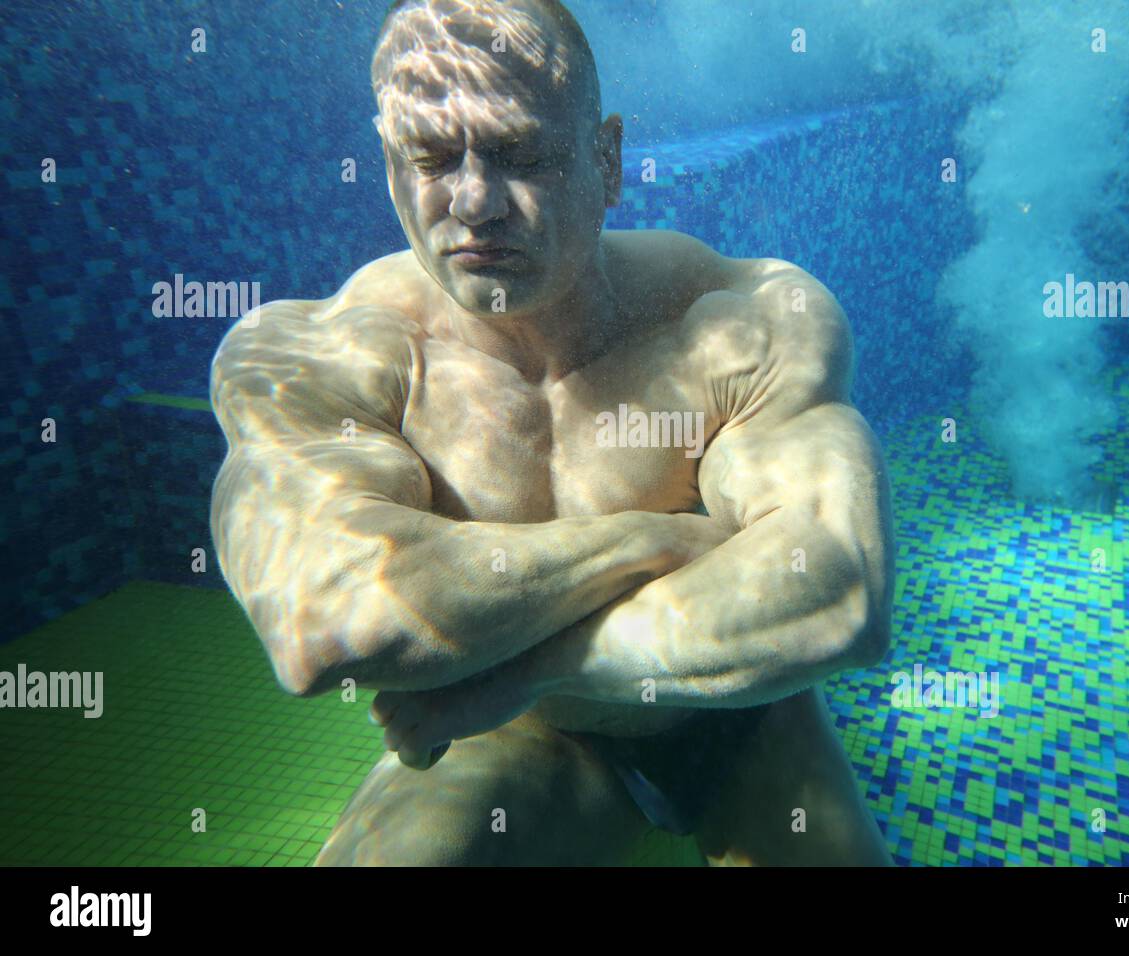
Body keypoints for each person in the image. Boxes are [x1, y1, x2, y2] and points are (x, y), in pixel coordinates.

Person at [209, 0, 896, 866]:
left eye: (519, 153)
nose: (473, 202)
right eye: (429, 159)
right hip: (524, 737)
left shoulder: (733, 317)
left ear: (607, 160)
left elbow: (838, 588)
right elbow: (335, 623)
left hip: (735, 712)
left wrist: (514, 670)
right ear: (388, 168)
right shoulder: (316, 351)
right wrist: (660, 538)